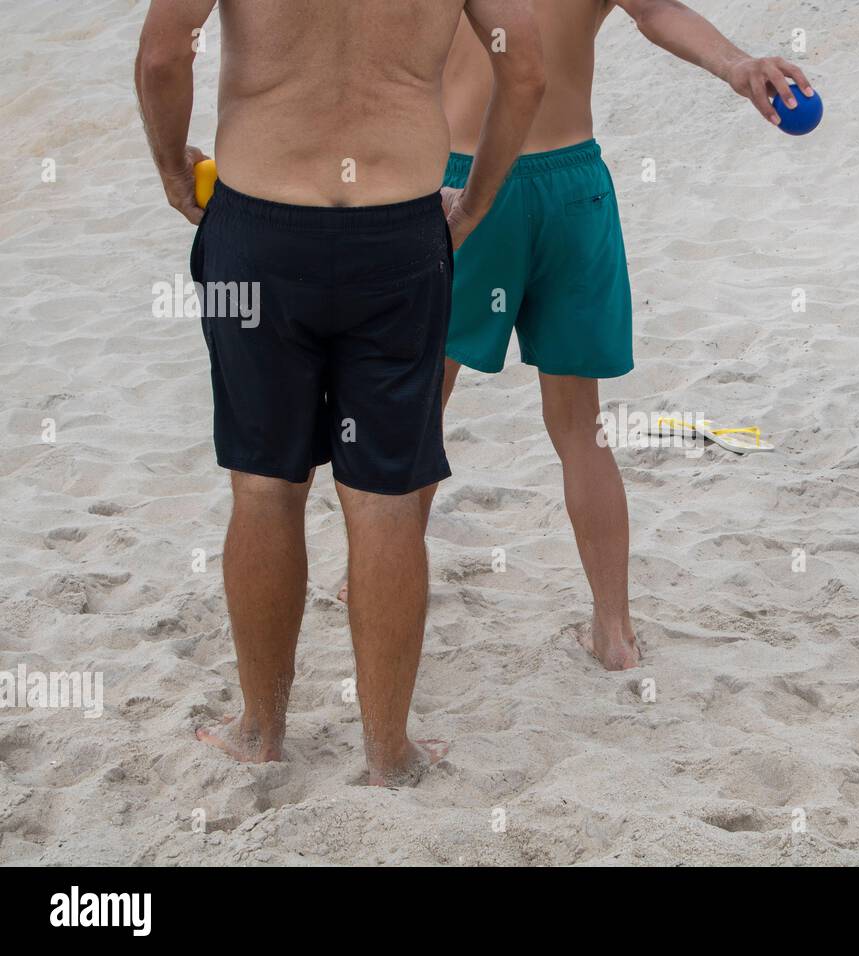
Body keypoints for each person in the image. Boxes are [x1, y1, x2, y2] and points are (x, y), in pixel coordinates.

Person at [135, 0, 545, 785]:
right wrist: (477, 202)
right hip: (398, 233)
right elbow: (522, 63)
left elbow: (162, 58)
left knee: (263, 486)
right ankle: (388, 755)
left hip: (258, 230)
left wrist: (169, 169)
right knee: (388, 495)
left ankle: (261, 730)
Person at [416, 0, 814, 670]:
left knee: (419, 404)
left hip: (465, 181)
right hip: (573, 185)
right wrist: (737, 66)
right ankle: (615, 633)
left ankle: (381, 576)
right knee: (580, 426)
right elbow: (656, 11)